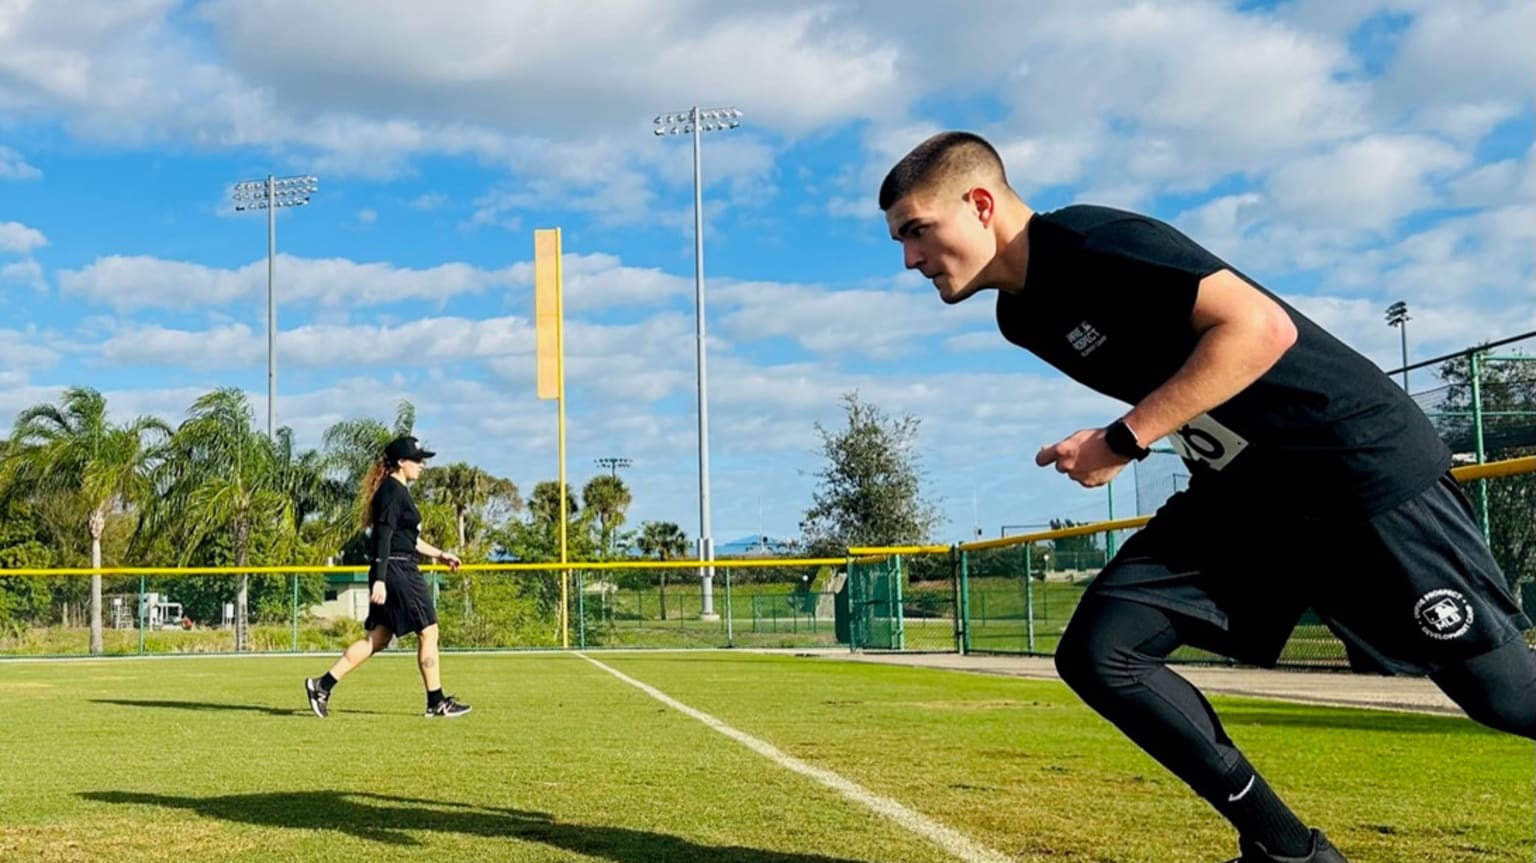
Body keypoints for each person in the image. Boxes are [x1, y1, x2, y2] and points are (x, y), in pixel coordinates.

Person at [879, 130, 1536, 863]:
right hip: (1248, 495)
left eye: (916, 230)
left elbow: (1258, 329)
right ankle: (1291, 852)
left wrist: (1123, 439)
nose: (909, 258)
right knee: (1104, 651)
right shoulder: (1020, 317)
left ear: (978, 204)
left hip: (1352, 468)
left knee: (1507, 697)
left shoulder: (1095, 239)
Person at [305, 435, 471, 719]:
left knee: (378, 638)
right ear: (400, 462)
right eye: (417, 461)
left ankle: (322, 685)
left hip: (396, 566)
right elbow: (382, 536)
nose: (422, 466)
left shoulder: (398, 491)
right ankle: (436, 701)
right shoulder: (392, 492)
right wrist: (380, 579)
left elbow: (409, 540)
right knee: (429, 631)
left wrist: (441, 554)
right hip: (398, 571)